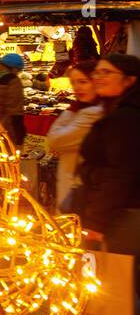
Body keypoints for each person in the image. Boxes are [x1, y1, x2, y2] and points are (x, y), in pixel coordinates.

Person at [74, 54, 140, 315]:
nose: (98, 77)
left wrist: (97, 220)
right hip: (129, 209)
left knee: (127, 285)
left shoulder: (125, 119)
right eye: (96, 71)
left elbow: (120, 173)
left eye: (106, 72)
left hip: (127, 213)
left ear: (129, 79)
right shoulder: (120, 113)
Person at [45, 61, 103, 213]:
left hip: (79, 189)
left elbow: (54, 140)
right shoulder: (87, 110)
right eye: (74, 83)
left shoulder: (92, 114)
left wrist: (71, 110)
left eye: (83, 82)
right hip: (78, 188)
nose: (77, 88)